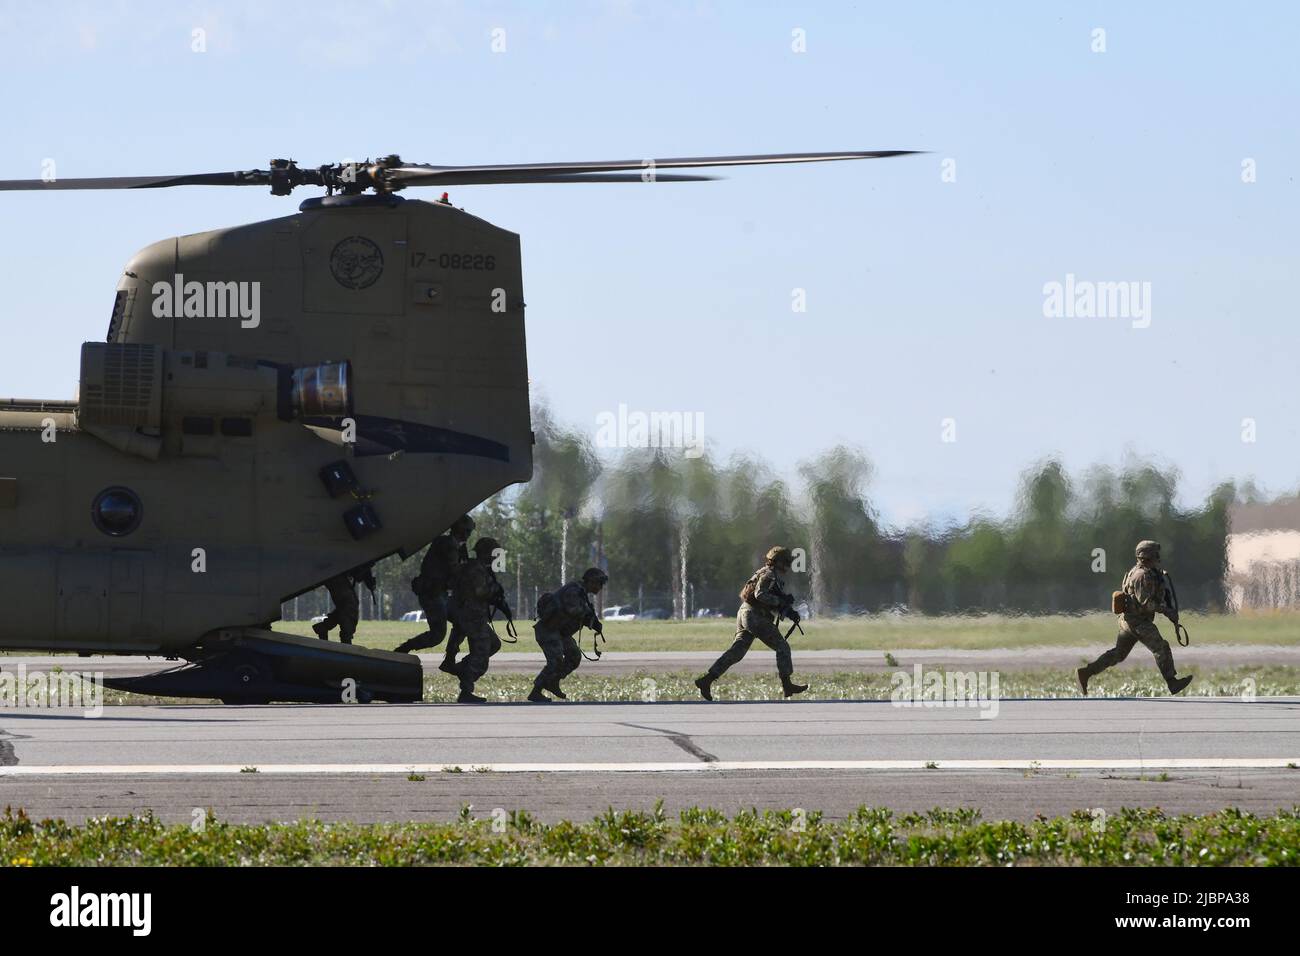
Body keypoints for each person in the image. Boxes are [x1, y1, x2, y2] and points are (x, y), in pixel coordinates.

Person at [1078, 540, 1194, 696]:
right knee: (1160, 647)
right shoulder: (1142, 576)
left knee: (1118, 655)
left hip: (1130, 620)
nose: (1158, 557)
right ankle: (1172, 682)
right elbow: (1147, 604)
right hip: (1137, 622)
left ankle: (1086, 673)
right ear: (1146, 556)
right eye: (1155, 554)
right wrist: (1167, 611)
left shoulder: (1147, 572)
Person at [695, 547, 807, 701]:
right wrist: (781, 601)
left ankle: (706, 680)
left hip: (745, 613)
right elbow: (760, 594)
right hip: (755, 616)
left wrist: (788, 611)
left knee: (737, 652)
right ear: (777, 562)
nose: (788, 565)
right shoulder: (769, 575)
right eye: (786, 562)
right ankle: (787, 685)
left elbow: (768, 599)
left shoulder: (763, 572)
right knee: (782, 646)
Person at [395, 515, 474, 656]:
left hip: (442, 594)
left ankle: (450, 657)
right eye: (466, 531)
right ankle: (403, 649)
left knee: (463, 622)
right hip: (433, 594)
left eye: (469, 531)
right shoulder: (447, 544)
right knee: (437, 636)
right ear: (458, 529)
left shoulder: (456, 546)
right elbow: (455, 569)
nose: (467, 535)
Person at [528, 567, 608, 703]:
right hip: (548, 630)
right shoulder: (574, 591)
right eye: (599, 583)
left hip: (560, 632)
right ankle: (536, 691)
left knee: (574, 656)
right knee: (556, 661)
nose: (600, 587)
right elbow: (573, 610)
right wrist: (590, 616)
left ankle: (552, 682)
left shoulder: (582, 594)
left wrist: (593, 622)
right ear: (591, 582)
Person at [449, 536, 510, 703]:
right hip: (472, 616)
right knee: (481, 656)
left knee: (494, 644)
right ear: (487, 553)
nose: (496, 556)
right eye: (493, 552)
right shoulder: (476, 569)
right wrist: (495, 590)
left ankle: (462, 668)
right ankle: (466, 689)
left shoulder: (480, 568)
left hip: (475, 616)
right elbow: (480, 592)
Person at [312, 563, 376, 645]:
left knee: (347, 605)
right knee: (349, 605)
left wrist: (368, 579)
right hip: (333, 570)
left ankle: (324, 627)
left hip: (334, 570)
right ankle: (346, 639)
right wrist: (368, 579)